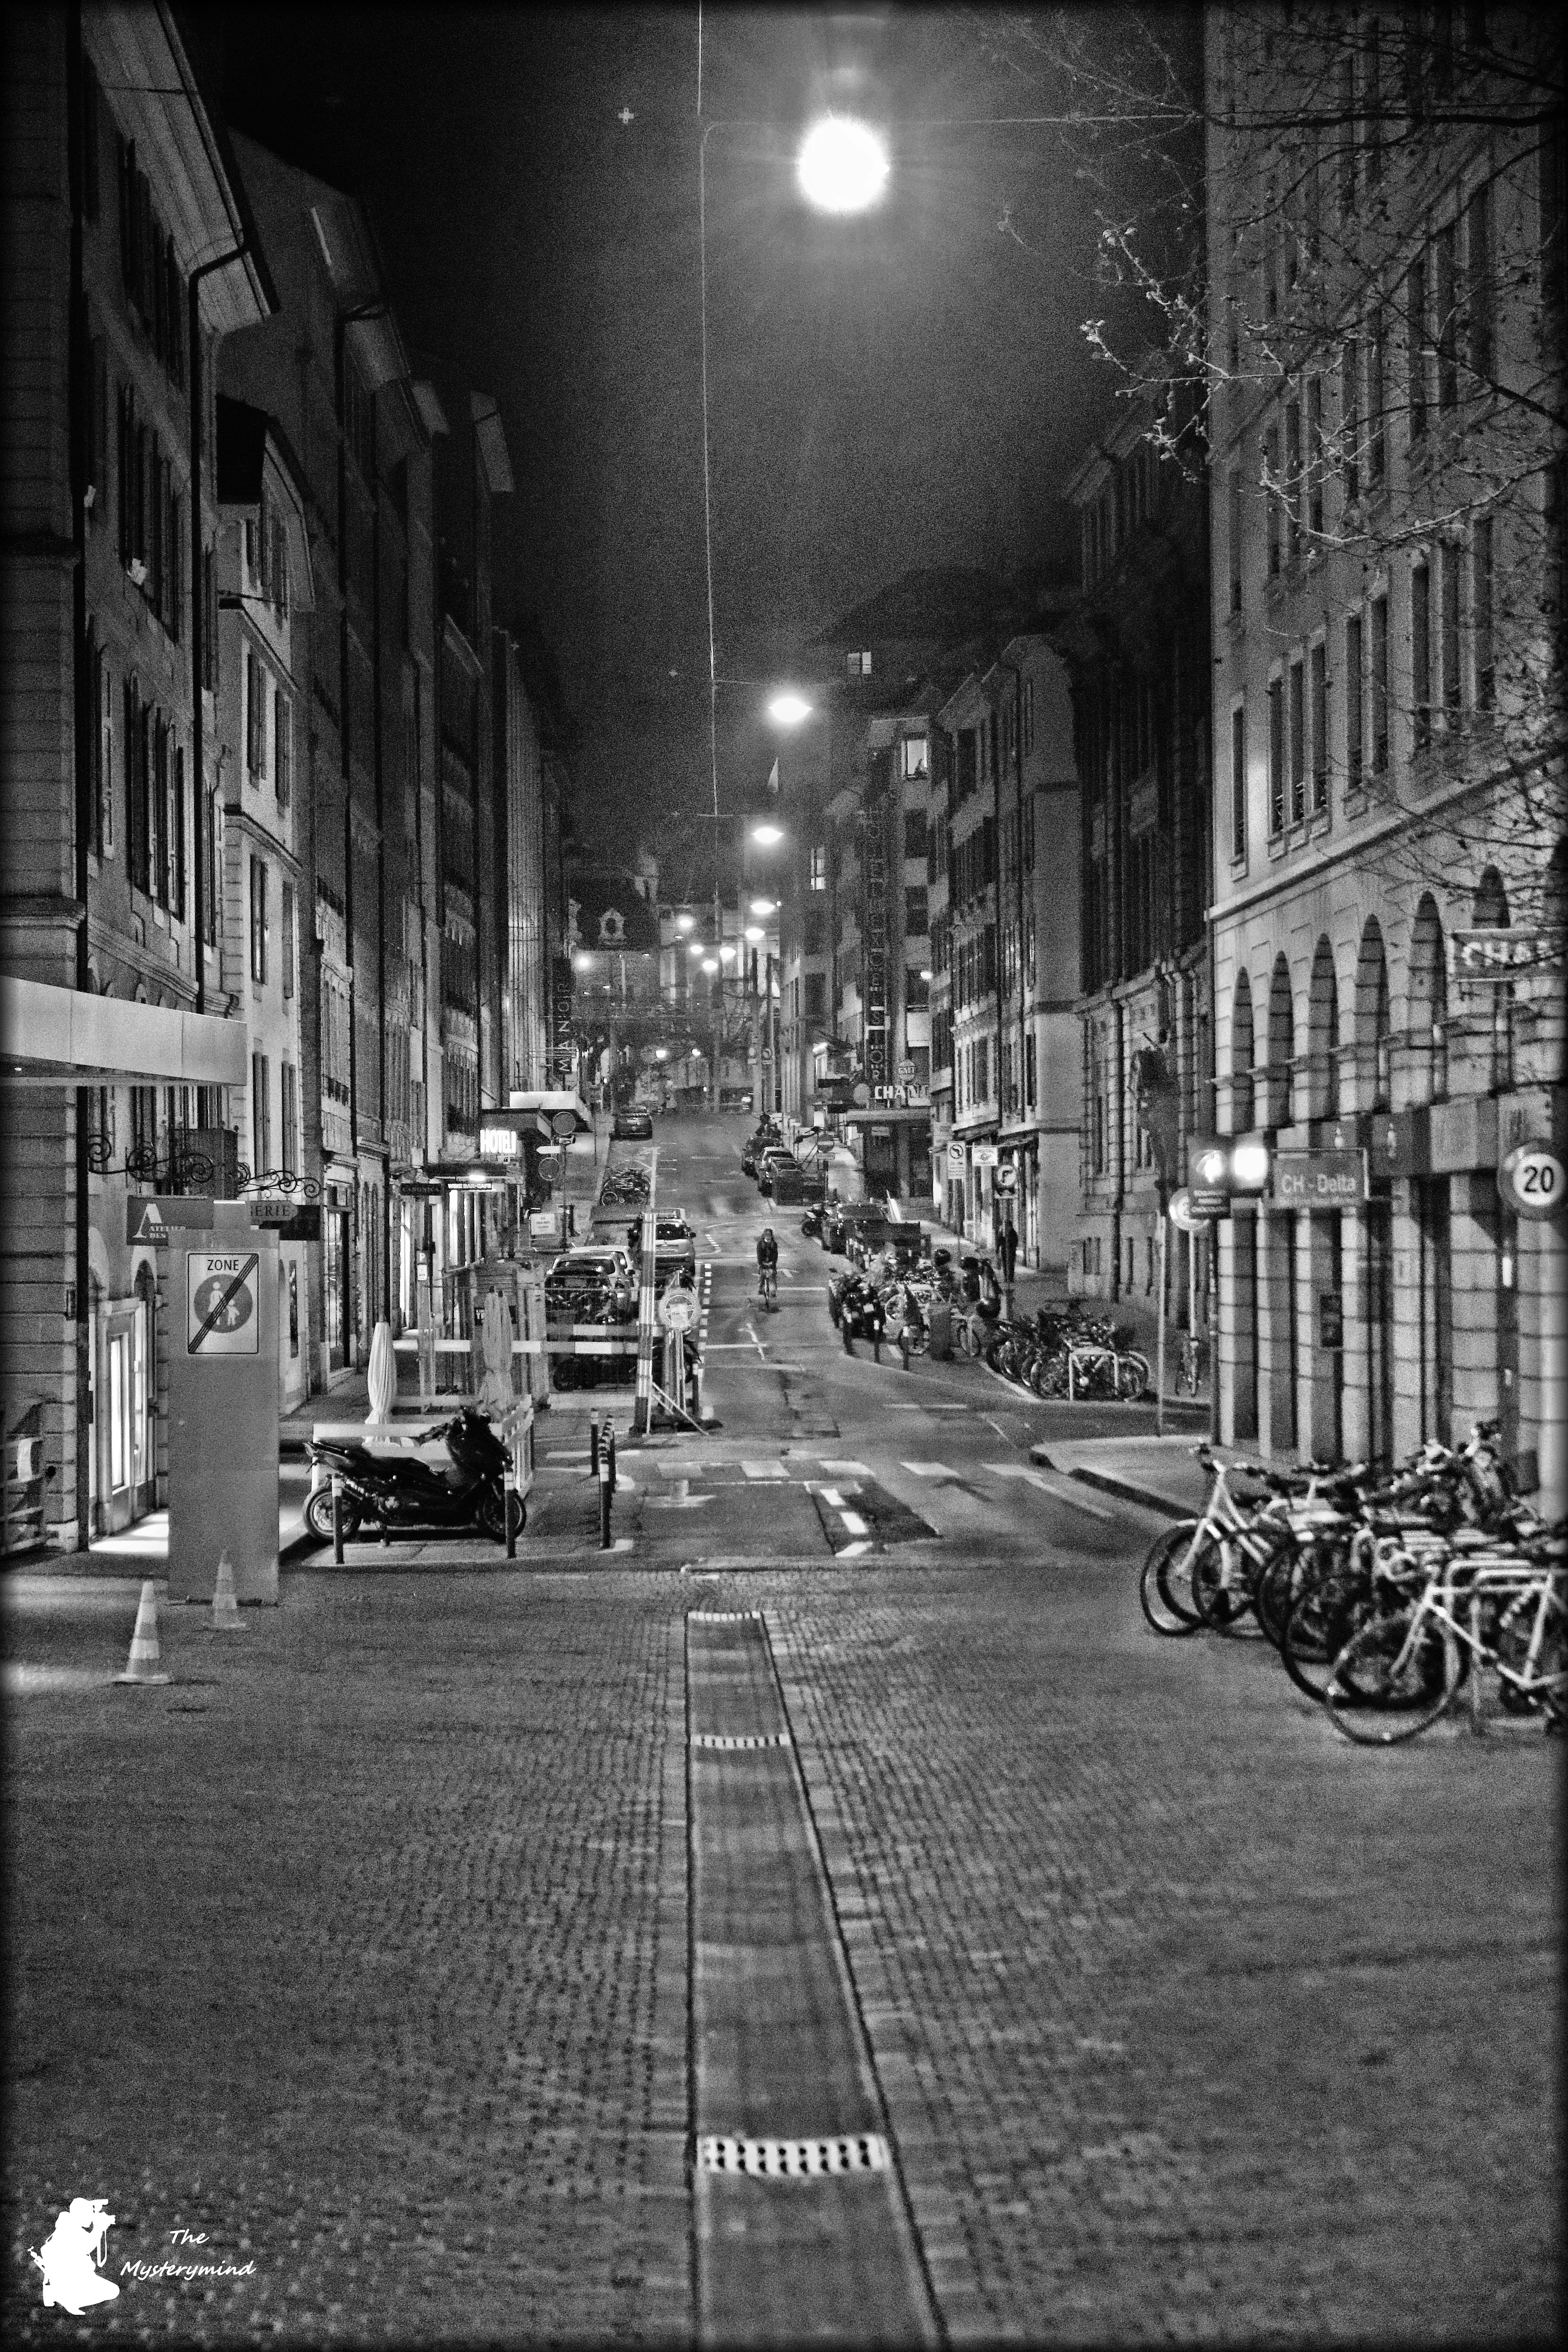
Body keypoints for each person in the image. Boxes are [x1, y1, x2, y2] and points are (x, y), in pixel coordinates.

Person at [756, 1225, 778, 1299]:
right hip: (763, 1263)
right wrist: (762, 1263)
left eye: (770, 1236)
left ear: (772, 1236)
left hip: (771, 1264)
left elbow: (775, 1255)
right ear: (764, 1236)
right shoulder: (761, 1244)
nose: (768, 1238)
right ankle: (761, 1287)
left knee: (772, 1276)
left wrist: (772, 1263)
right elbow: (759, 1255)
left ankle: (773, 1291)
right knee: (762, 1275)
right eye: (767, 1236)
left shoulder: (774, 1244)